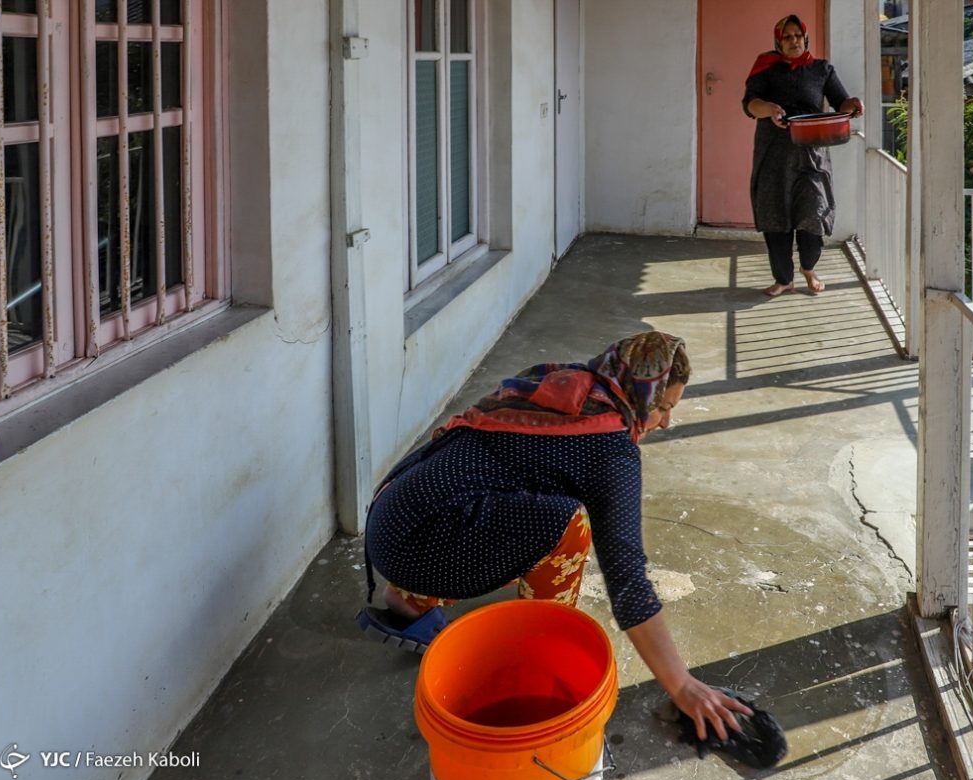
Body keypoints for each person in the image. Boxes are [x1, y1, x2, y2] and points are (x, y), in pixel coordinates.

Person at [358, 331, 751, 742]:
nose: (666, 422)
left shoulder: (565, 384)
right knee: (568, 527)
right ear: (644, 395)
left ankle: (407, 600)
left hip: (392, 517)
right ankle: (540, 653)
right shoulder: (610, 448)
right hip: (421, 545)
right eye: (664, 408)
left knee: (526, 504)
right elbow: (628, 582)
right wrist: (683, 686)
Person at [742, 14, 864, 298]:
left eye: (798, 35)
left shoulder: (821, 69)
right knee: (776, 216)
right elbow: (750, 104)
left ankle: (809, 267)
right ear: (778, 41)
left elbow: (840, 102)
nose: (793, 40)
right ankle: (784, 278)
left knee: (814, 213)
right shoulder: (766, 68)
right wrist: (769, 108)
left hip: (812, 157)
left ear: (805, 38)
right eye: (787, 36)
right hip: (774, 156)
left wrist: (854, 105)